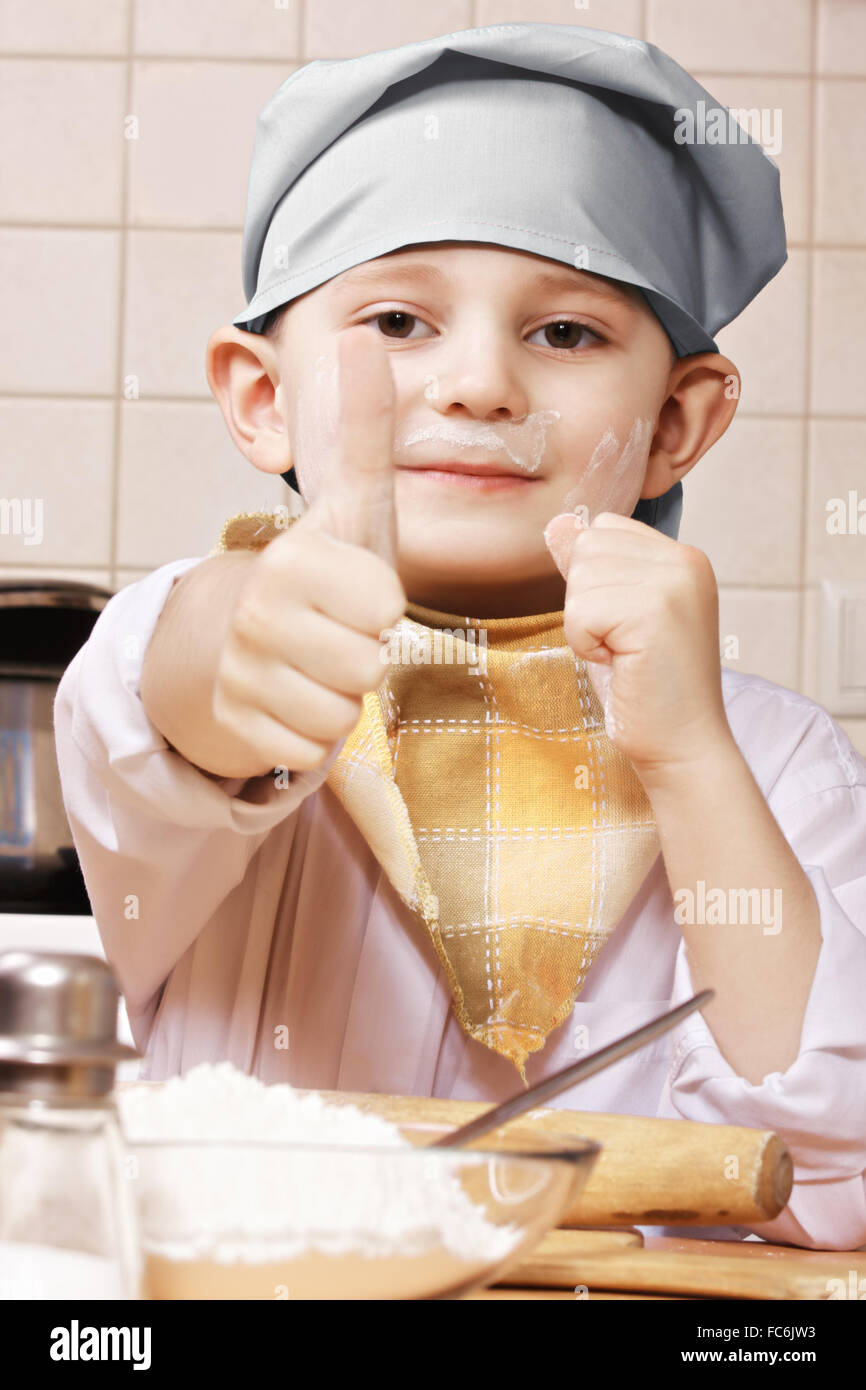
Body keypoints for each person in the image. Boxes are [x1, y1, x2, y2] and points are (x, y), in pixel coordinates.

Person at [54, 23, 866, 1250]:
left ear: (673, 424)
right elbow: (183, 686)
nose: (479, 382)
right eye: (395, 322)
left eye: (565, 332)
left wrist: (692, 761)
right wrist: (246, 623)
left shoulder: (774, 760)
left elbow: (823, 1177)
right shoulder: (224, 655)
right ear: (263, 398)